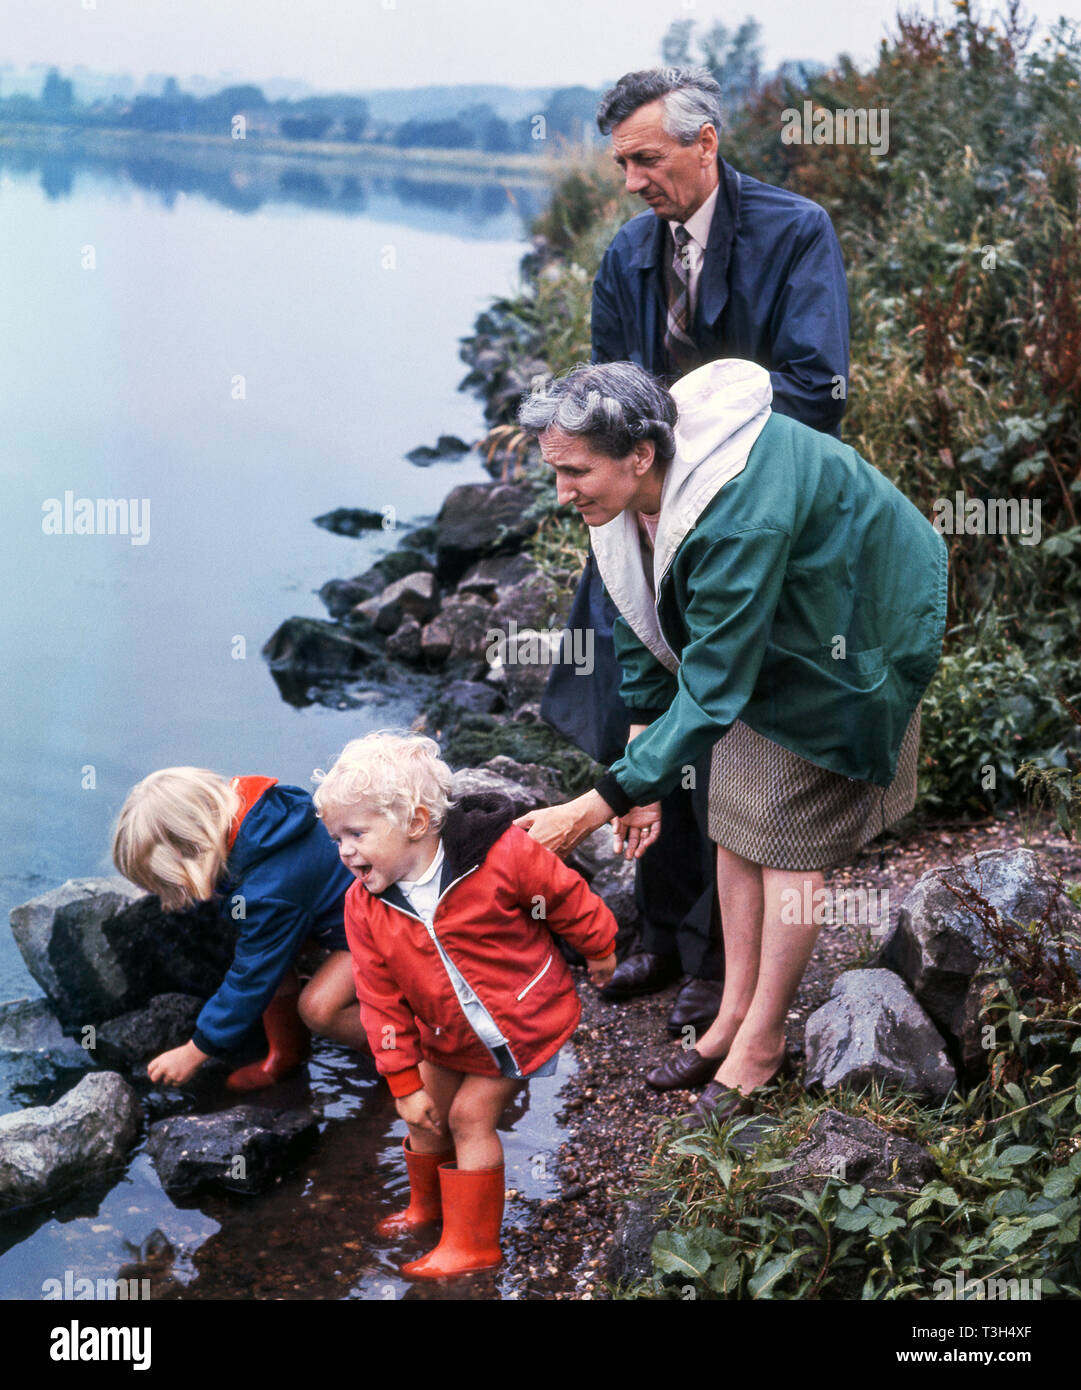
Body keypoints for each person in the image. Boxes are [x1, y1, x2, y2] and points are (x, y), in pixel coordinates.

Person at [516, 359, 947, 1124]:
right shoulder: (624, 497)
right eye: (556, 472)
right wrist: (643, 738)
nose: (563, 494)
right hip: (765, 631)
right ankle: (730, 1019)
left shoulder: (735, 509)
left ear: (639, 455)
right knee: (734, 825)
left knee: (787, 847)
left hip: (846, 630)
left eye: (574, 473)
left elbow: (714, 687)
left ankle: (763, 1043)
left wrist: (595, 803)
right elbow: (633, 608)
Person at [542, 66, 851, 1041]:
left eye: (646, 157)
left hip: (744, 531)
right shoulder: (627, 254)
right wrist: (616, 477)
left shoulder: (794, 230)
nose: (630, 179)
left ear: (704, 142)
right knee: (635, 721)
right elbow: (598, 397)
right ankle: (667, 934)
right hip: (637, 527)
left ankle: (720, 975)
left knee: (726, 749)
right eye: (621, 161)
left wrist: (679, 452)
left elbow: (816, 388)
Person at [315, 731, 617, 1278]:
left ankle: (473, 1244)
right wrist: (402, 1083)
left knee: (468, 1116)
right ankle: (427, 1208)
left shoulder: (499, 854)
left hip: (520, 1020)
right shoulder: (363, 907)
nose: (345, 851)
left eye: (357, 833)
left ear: (414, 822)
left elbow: (565, 896)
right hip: (445, 1030)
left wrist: (599, 945)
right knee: (425, 1109)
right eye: (337, 838)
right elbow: (380, 1001)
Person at [112, 768, 363, 1091]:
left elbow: (251, 977)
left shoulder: (268, 890)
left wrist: (196, 1049)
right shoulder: (261, 815)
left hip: (380, 929)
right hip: (345, 911)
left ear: (190, 854)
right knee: (269, 955)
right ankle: (287, 1054)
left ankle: (413, 1058)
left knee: (318, 1008)